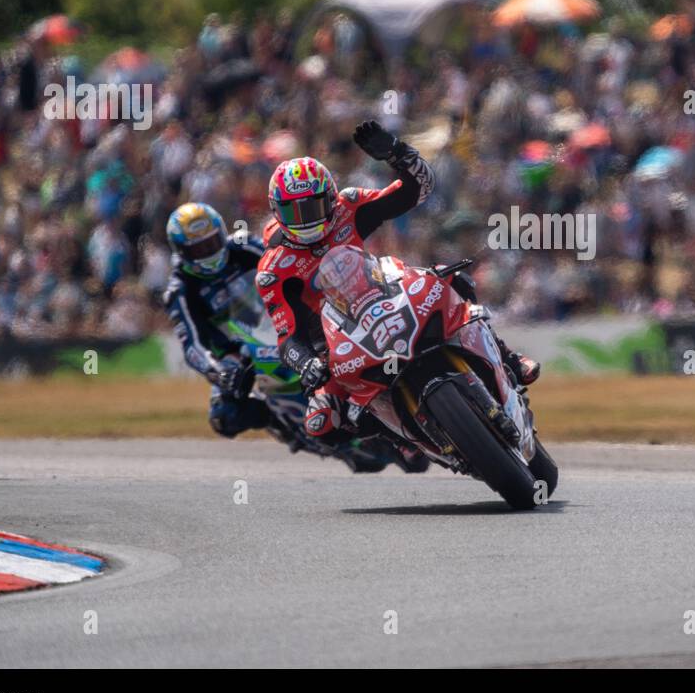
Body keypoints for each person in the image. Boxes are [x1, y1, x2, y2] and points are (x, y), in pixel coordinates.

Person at [257, 120, 539, 452]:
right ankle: (399, 436)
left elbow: (417, 190)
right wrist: (307, 363)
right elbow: (287, 336)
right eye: (296, 211)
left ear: (330, 198)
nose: (307, 219)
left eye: (314, 206)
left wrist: (397, 153)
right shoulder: (274, 268)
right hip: (335, 346)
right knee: (321, 424)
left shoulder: (348, 206)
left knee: (452, 279)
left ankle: (506, 358)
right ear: (278, 212)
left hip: (382, 294)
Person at [162, 202, 284, 446]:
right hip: (234, 353)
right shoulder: (180, 289)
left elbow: (285, 266)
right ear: (182, 252)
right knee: (224, 418)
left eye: (213, 242)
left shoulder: (245, 246)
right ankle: (280, 420)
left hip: (281, 327)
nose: (209, 252)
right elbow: (192, 346)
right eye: (199, 249)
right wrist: (219, 372)